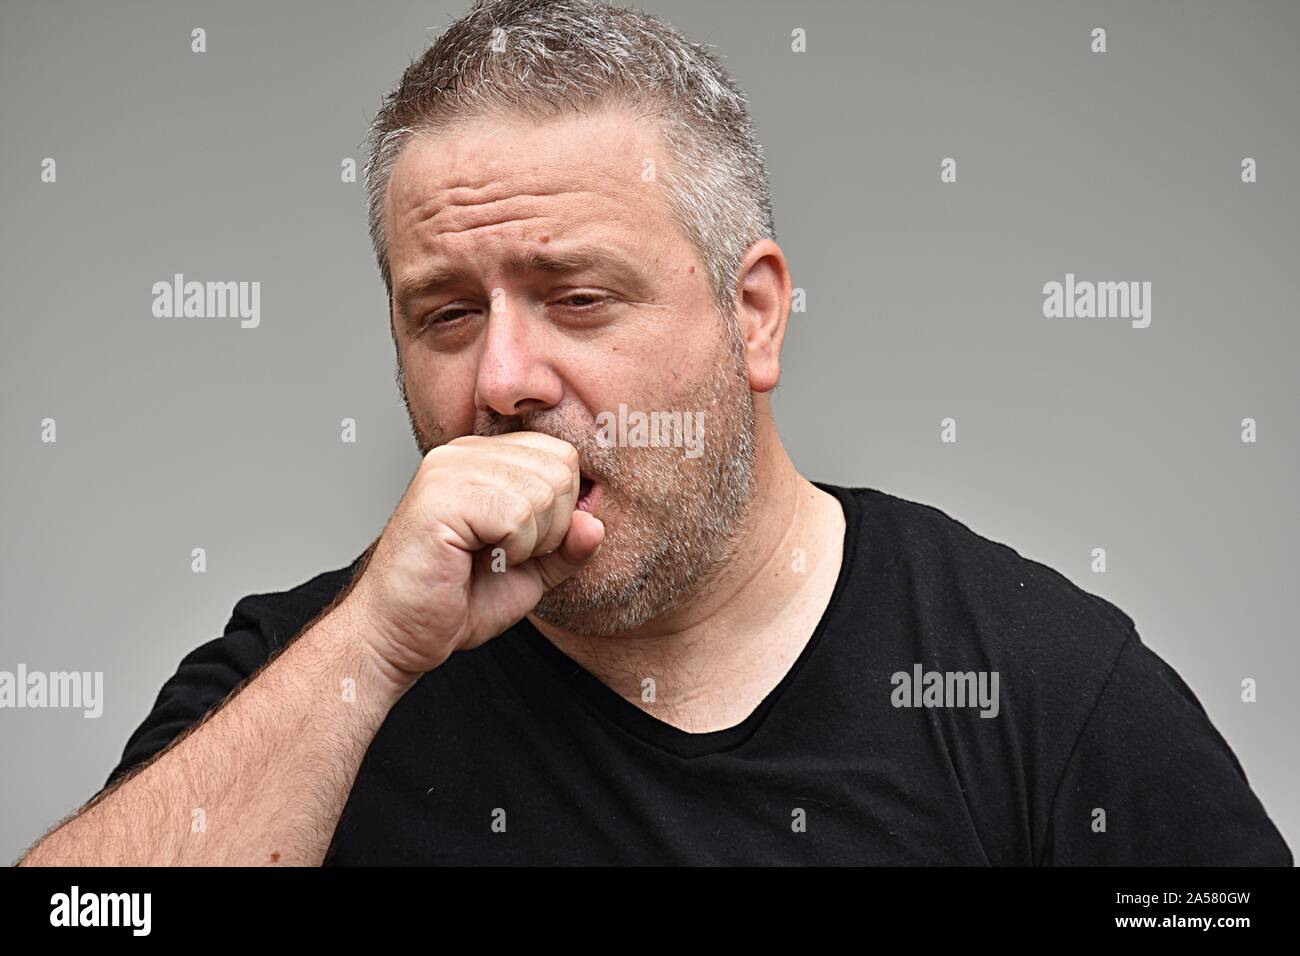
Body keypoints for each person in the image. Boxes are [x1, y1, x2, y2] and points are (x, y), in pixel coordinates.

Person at [18, 0, 1291, 866]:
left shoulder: (1035, 685)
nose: (505, 377)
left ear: (753, 317)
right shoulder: (310, 668)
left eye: (578, 297)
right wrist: (370, 647)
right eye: (446, 313)